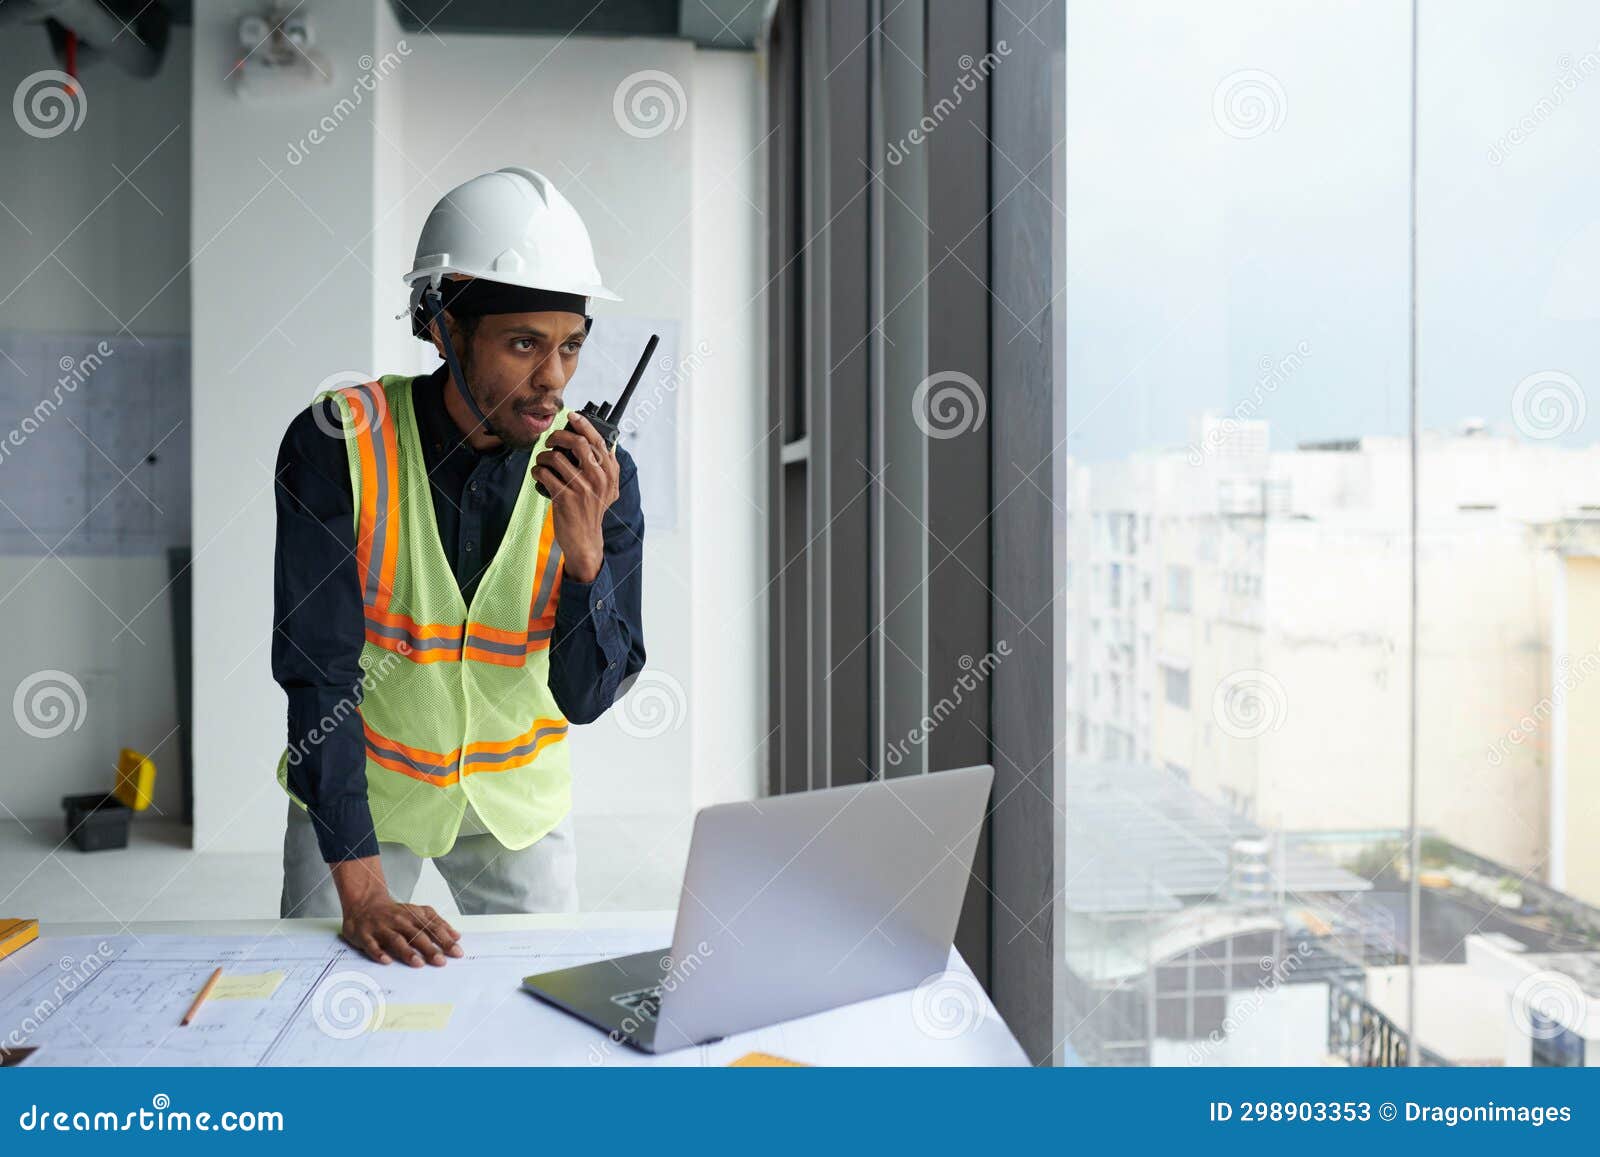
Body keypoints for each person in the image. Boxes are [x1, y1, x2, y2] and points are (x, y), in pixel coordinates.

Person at [271, 167, 645, 966]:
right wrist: (364, 890)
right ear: (442, 328)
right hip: (361, 802)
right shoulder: (338, 444)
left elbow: (585, 699)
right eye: (523, 345)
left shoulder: (598, 472)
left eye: (570, 347)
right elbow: (318, 672)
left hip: (517, 810)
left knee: (543, 1025)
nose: (552, 381)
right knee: (317, 1013)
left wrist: (587, 564)